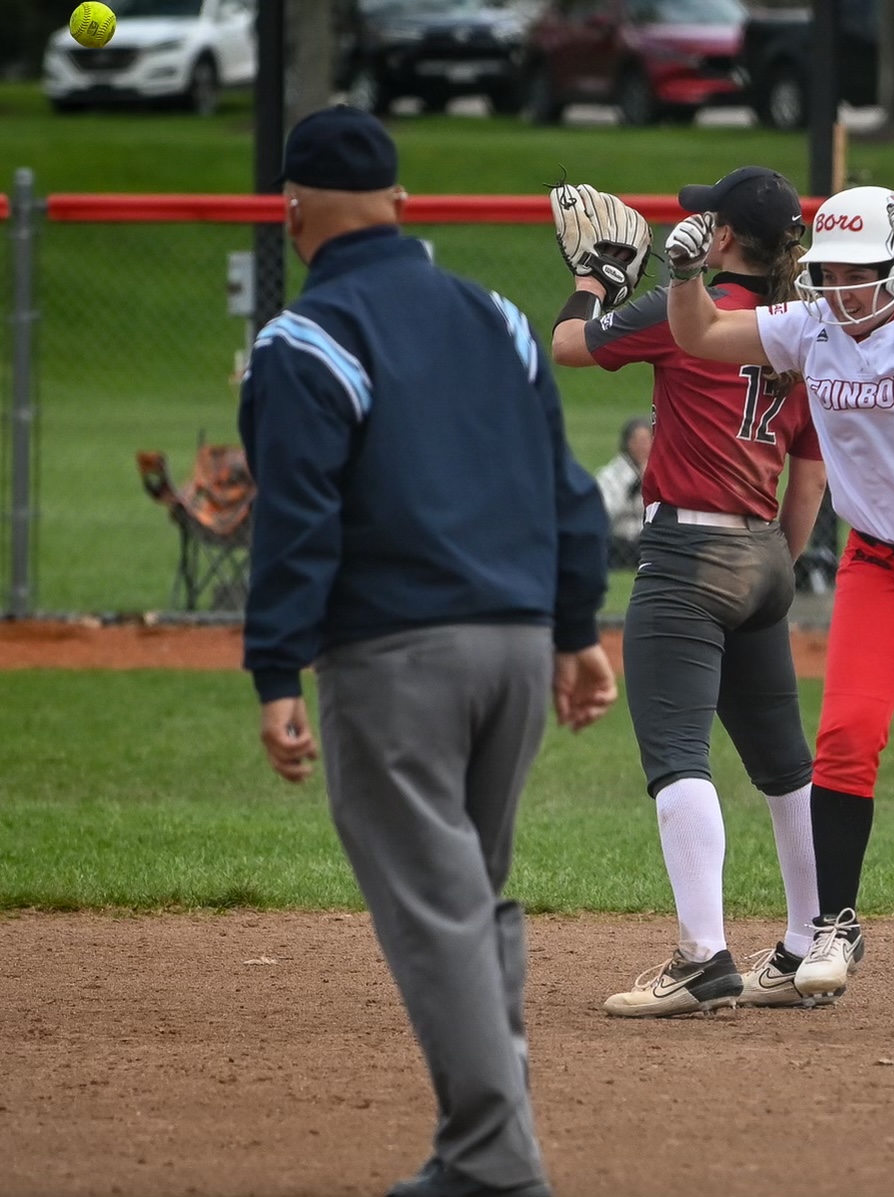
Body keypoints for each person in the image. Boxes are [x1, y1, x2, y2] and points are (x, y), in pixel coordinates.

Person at [239, 105, 616, 1197]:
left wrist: (275, 672)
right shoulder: (497, 318)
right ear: (403, 205)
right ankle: (474, 1152)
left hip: (396, 657)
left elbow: (296, 521)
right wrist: (578, 628)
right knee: (475, 893)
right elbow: (567, 490)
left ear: (294, 213)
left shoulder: (304, 340)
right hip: (513, 655)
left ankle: (497, 1161)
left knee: (440, 907)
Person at [663, 184, 894, 1002]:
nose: (840, 285)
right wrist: (684, 272)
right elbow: (700, 335)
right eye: (828, 269)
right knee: (846, 735)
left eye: (859, 270)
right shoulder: (812, 328)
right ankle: (833, 925)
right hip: (881, 564)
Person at [549, 166, 831, 1015]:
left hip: (684, 554)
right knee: (784, 764)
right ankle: (807, 941)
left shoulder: (688, 314)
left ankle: (703, 953)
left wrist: (594, 279)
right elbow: (809, 475)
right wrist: (770, 564)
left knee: (676, 754)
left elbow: (567, 346)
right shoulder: (802, 326)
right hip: (763, 554)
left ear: (719, 240)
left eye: (706, 218)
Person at [596, 416, 652, 567]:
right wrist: (630, 490)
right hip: (619, 539)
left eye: (646, 440)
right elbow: (606, 512)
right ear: (627, 443)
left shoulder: (658, 473)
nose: (643, 446)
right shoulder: (610, 475)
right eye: (638, 441)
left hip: (647, 539)